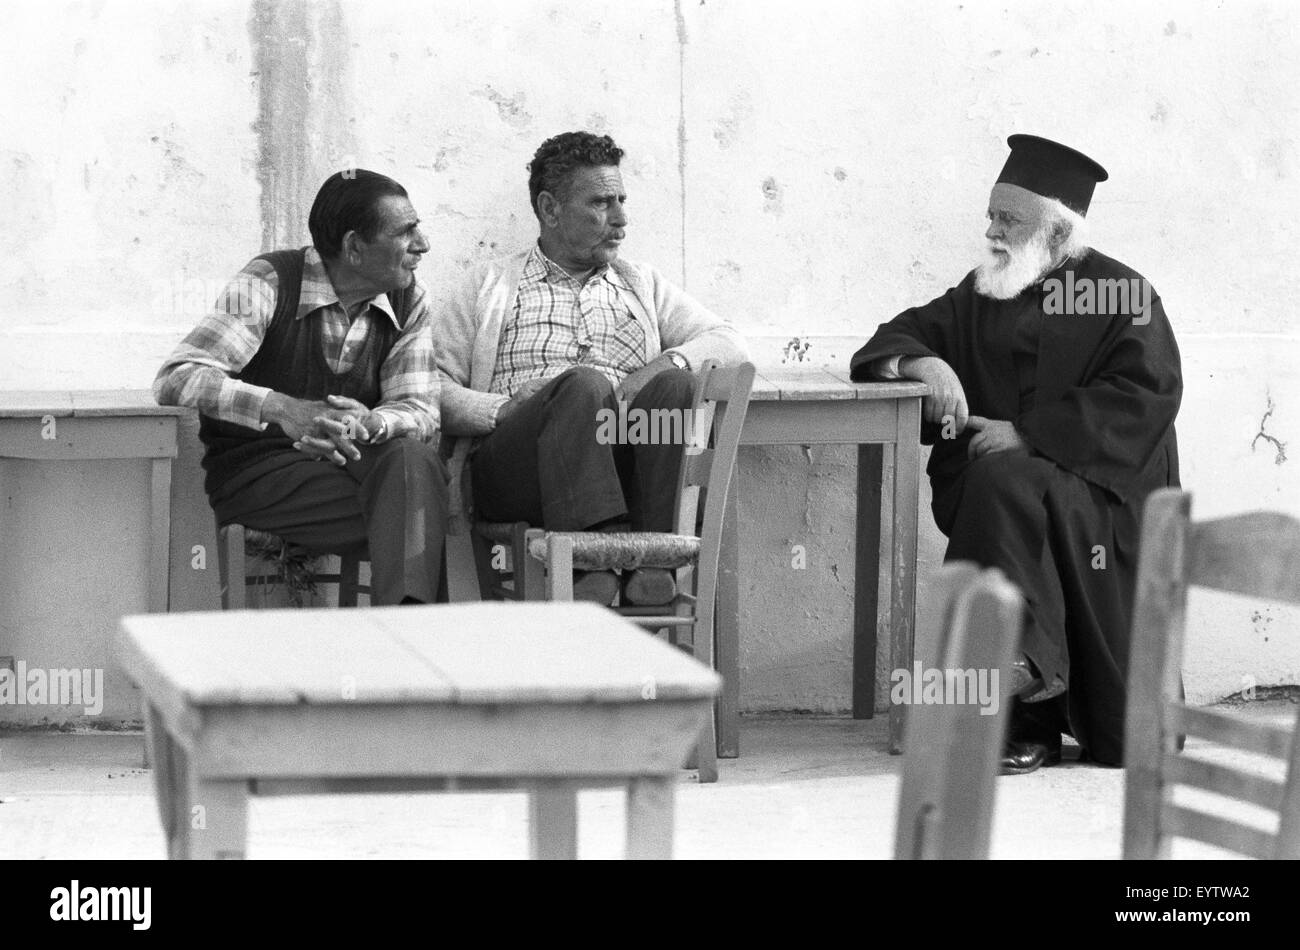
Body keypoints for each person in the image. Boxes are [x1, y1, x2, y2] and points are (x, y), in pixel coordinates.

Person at [849, 135, 1182, 773]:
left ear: (1057, 233)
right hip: (1013, 483)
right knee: (999, 482)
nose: (993, 229)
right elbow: (897, 335)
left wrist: (1031, 435)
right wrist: (924, 362)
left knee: (1000, 480)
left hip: (1101, 491)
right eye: (993, 215)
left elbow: (1147, 394)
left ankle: (1017, 704)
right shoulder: (987, 287)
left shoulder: (1122, 292)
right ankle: (1017, 688)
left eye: (1010, 219)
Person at [437, 131, 748, 605]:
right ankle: (598, 561)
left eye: (621, 200)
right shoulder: (490, 285)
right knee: (582, 385)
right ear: (550, 208)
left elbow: (728, 342)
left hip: (618, 466)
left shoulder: (640, 282)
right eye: (601, 203)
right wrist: (502, 409)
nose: (621, 219)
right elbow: (431, 387)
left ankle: (645, 560)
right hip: (521, 467)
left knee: (675, 385)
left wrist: (660, 365)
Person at [155, 169, 448, 605]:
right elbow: (178, 376)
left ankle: (404, 639)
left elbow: (420, 409)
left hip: (358, 473)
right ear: (353, 246)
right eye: (406, 232)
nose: (422, 244)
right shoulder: (271, 280)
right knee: (418, 512)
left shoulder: (409, 300)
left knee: (411, 467)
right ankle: (413, 649)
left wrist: (369, 424)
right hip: (260, 476)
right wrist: (283, 409)